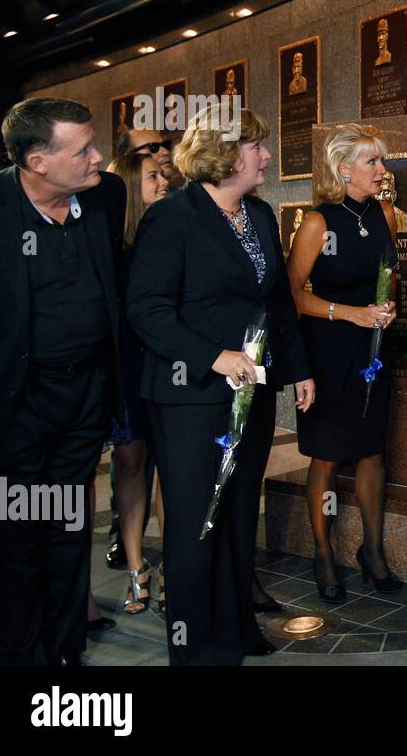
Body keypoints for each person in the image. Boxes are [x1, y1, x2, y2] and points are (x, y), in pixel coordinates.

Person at [126, 106, 314, 665]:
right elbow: (146, 309)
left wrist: (298, 368)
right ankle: (198, 648)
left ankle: (236, 632)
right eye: (258, 147)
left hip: (251, 389)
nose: (267, 157)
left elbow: (276, 302)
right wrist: (212, 356)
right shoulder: (173, 218)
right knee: (195, 522)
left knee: (236, 513)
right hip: (190, 396)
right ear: (228, 156)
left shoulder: (257, 213)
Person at [0, 97, 124, 666]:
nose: (100, 157)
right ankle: (17, 655)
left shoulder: (102, 199)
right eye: (83, 149)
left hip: (83, 399)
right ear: (37, 162)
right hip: (13, 404)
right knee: (13, 537)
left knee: (69, 532)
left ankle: (66, 653)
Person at [287, 124, 400, 602]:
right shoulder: (318, 221)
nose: (382, 170)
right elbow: (291, 295)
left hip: (373, 351)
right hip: (328, 352)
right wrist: (348, 313)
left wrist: (385, 306)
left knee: (373, 451)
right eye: (372, 162)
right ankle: (322, 553)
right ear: (343, 169)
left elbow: (390, 275)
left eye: (381, 161)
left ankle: (372, 552)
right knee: (329, 455)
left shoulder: (387, 215)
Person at [105, 151, 171, 614]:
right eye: (152, 176)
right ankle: (135, 566)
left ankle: (172, 567)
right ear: (131, 184)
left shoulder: (171, 233)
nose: (164, 181)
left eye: (164, 174)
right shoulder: (110, 245)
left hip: (169, 361)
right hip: (126, 364)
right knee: (130, 462)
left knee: (170, 466)